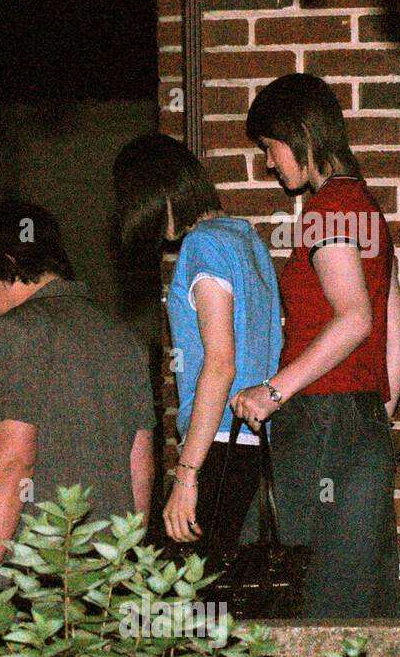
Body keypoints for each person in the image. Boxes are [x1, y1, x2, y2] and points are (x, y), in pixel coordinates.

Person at [231, 72, 400, 619]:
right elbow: (393, 327)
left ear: (302, 134)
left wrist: (272, 392)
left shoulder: (329, 208)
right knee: (353, 606)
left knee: (285, 604)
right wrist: (372, 415)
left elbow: (355, 319)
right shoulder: (365, 207)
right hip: (357, 424)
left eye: (271, 147)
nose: (268, 163)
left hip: (319, 421)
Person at [112, 134, 283, 554]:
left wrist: (187, 473)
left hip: (218, 447)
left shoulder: (202, 245)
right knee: (219, 603)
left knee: (187, 602)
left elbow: (220, 363)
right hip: (252, 445)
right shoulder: (247, 239)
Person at [0, 200, 157, 565]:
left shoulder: (15, 333)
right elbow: (140, 467)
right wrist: (127, 564)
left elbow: (15, 461)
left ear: (7, 263)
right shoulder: (123, 337)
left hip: (36, 579)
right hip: (106, 572)